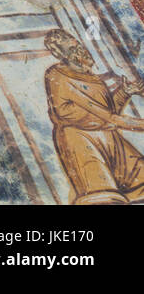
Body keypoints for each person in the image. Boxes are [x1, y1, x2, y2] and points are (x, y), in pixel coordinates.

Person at [43, 28, 144, 204]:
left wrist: (124, 92)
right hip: (81, 141)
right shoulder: (58, 76)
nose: (77, 45)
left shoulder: (93, 78)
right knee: (103, 197)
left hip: (109, 138)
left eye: (76, 42)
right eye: (71, 46)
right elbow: (108, 118)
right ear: (60, 53)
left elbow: (108, 113)